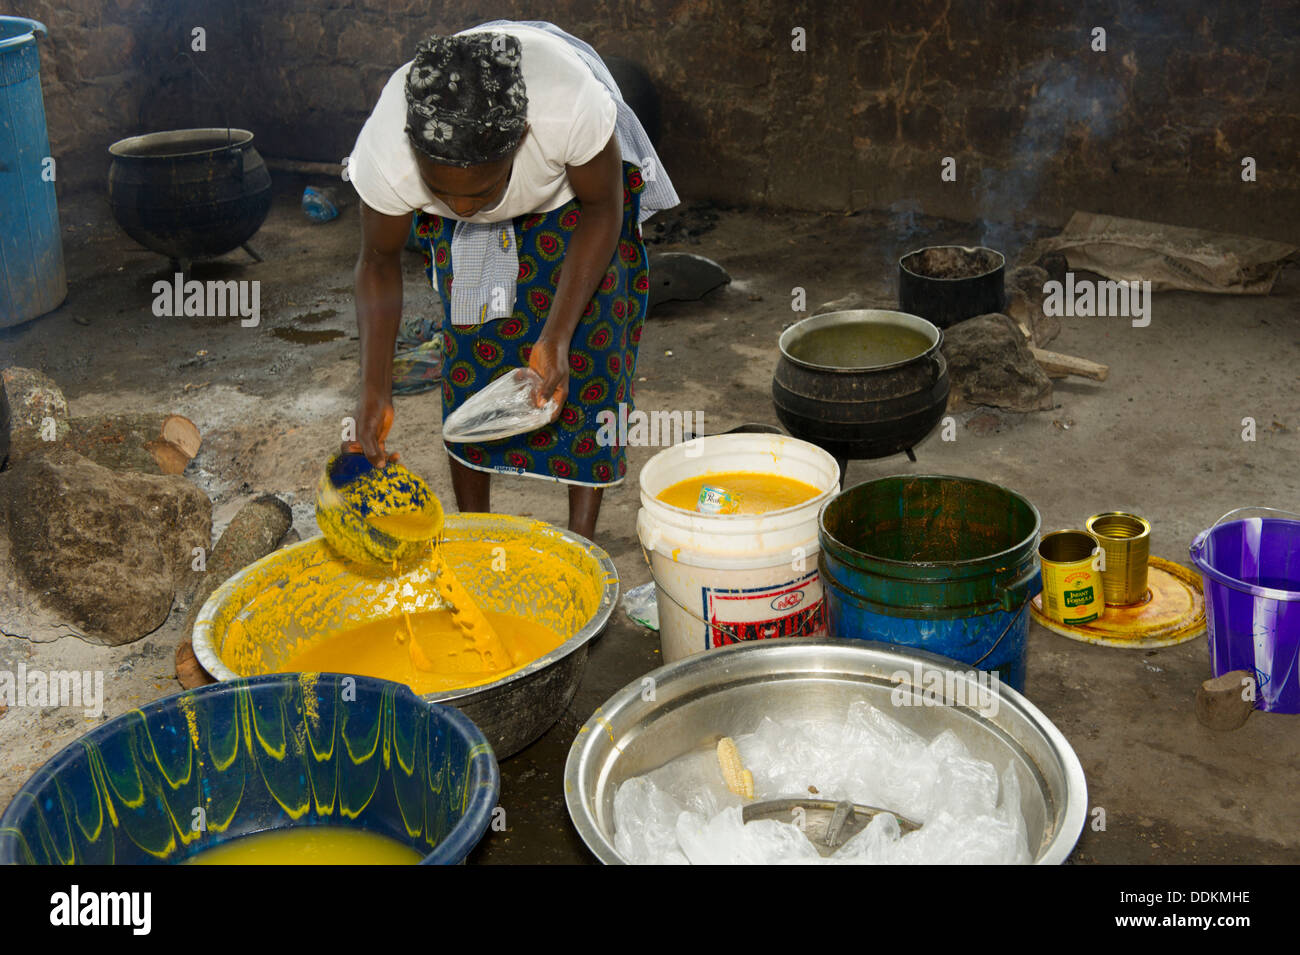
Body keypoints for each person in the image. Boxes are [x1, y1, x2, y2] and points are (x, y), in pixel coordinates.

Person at [347, 20, 676, 540]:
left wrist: (556, 335)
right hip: (517, 177)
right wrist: (374, 388)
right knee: (473, 349)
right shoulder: (388, 150)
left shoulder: (566, 104)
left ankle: (581, 543)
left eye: (478, 192)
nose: (461, 207)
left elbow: (603, 206)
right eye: (442, 192)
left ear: (519, 141)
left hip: (574, 200)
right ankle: (475, 532)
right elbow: (378, 262)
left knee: (589, 355)